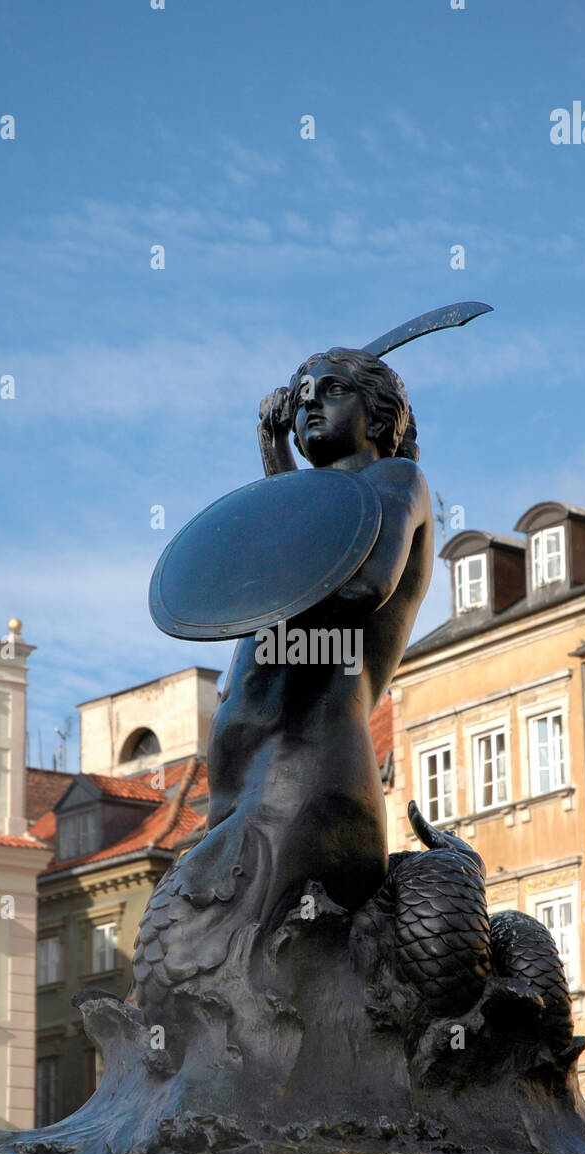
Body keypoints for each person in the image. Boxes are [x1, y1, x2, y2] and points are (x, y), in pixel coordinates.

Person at [132, 348, 433, 1016]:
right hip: (247, 755)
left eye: (331, 390)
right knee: (209, 959)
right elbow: (298, 550)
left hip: (311, 754)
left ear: (378, 412)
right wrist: (274, 455)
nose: (309, 403)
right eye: (300, 396)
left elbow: (359, 586)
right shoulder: (326, 497)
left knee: (245, 954)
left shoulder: (396, 481)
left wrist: (282, 503)